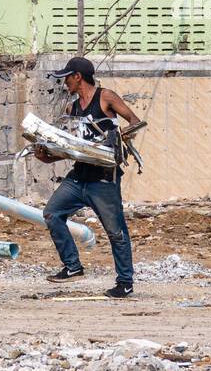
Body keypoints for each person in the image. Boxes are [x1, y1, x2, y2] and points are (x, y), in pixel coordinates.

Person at [35, 56, 141, 298]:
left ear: (77, 77)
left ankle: (125, 282)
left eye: (67, 78)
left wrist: (118, 138)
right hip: (78, 177)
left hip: (103, 179)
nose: (65, 84)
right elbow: (70, 148)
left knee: (116, 232)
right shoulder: (71, 109)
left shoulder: (106, 97)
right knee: (52, 213)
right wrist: (47, 157)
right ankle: (73, 266)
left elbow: (135, 122)